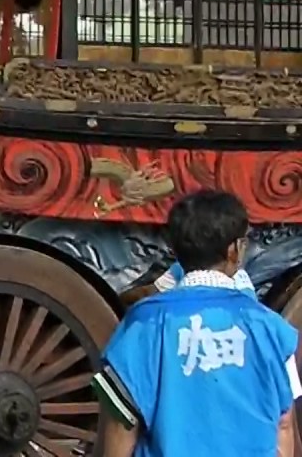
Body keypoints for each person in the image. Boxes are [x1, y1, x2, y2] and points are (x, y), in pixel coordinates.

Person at [95, 190, 301, 456]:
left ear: (176, 249)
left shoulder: (143, 325)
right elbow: (284, 427)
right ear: (234, 250)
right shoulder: (271, 329)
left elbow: (121, 423)